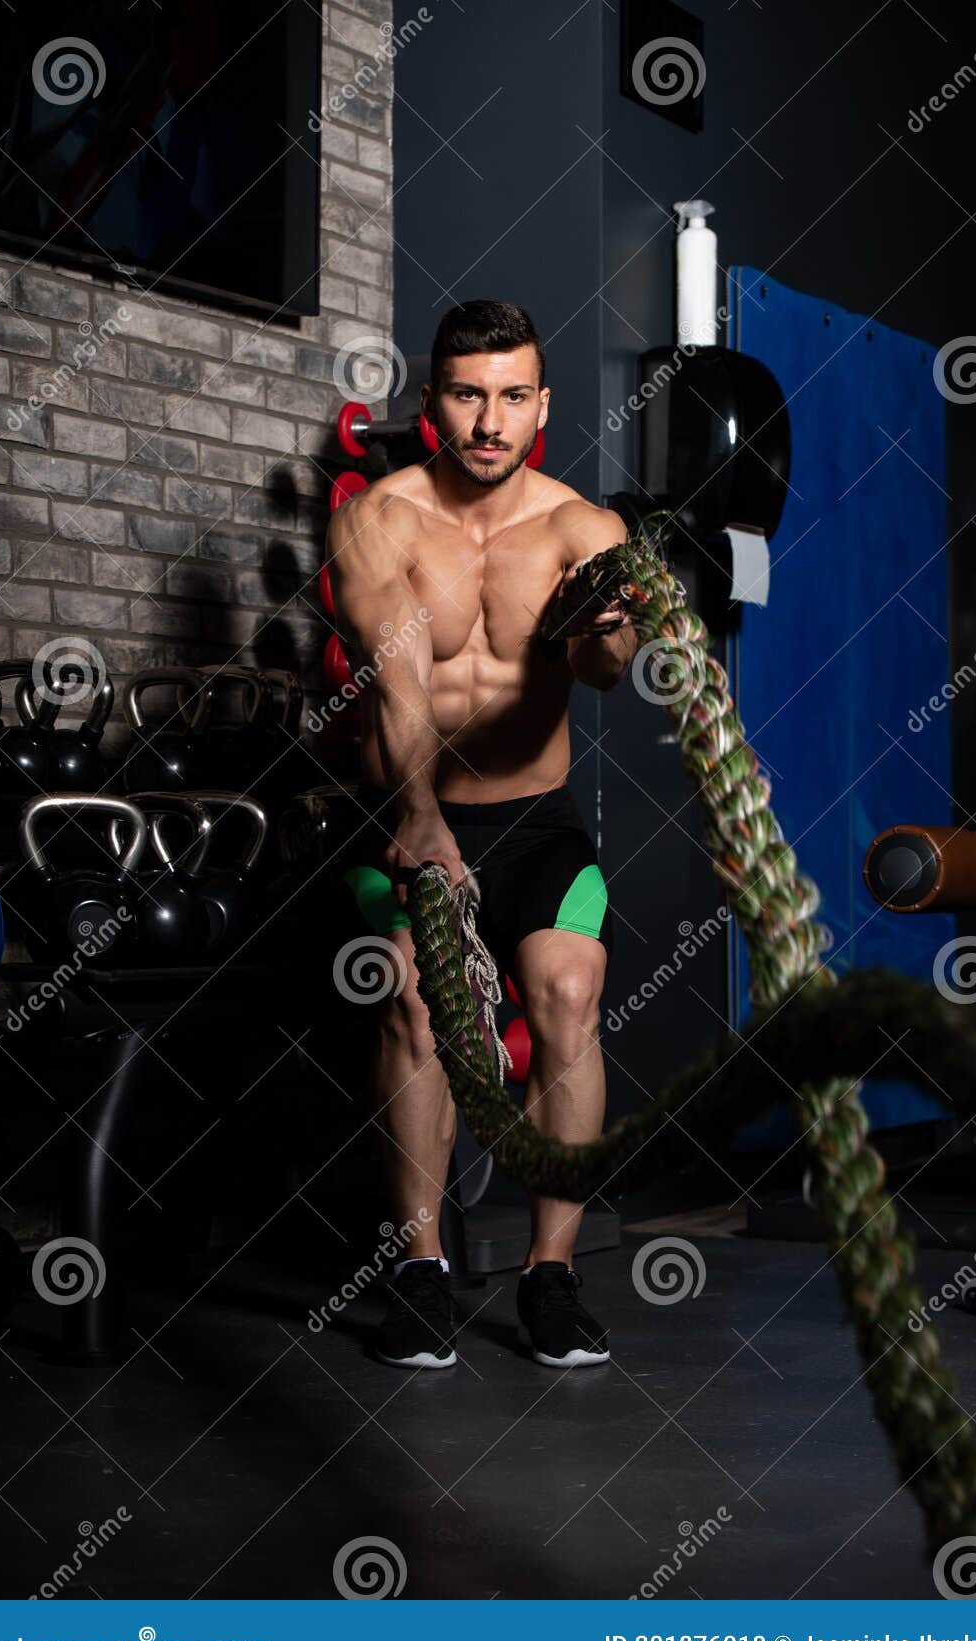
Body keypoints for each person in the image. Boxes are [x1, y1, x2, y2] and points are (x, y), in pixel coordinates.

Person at [325, 300, 636, 1369]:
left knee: (567, 991)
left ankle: (549, 1274)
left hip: (538, 823)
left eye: (511, 396)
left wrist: (599, 629)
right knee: (413, 1003)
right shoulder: (379, 521)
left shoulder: (583, 530)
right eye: (467, 394)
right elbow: (398, 678)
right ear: (431, 406)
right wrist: (419, 817)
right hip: (408, 815)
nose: (489, 422)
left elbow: (607, 670)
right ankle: (419, 1270)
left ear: (541, 404)